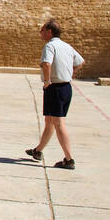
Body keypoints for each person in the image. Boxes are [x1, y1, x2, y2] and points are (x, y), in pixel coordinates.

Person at [25, 19, 84, 170]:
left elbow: (46, 64)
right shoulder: (66, 46)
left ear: (49, 32)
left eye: (42, 30)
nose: (40, 33)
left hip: (55, 88)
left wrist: (47, 81)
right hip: (65, 88)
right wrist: (68, 73)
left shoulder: (49, 46)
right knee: (49, 121)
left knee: (58, 123)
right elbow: (79, 62)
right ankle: (38, 151)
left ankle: (69, 159)